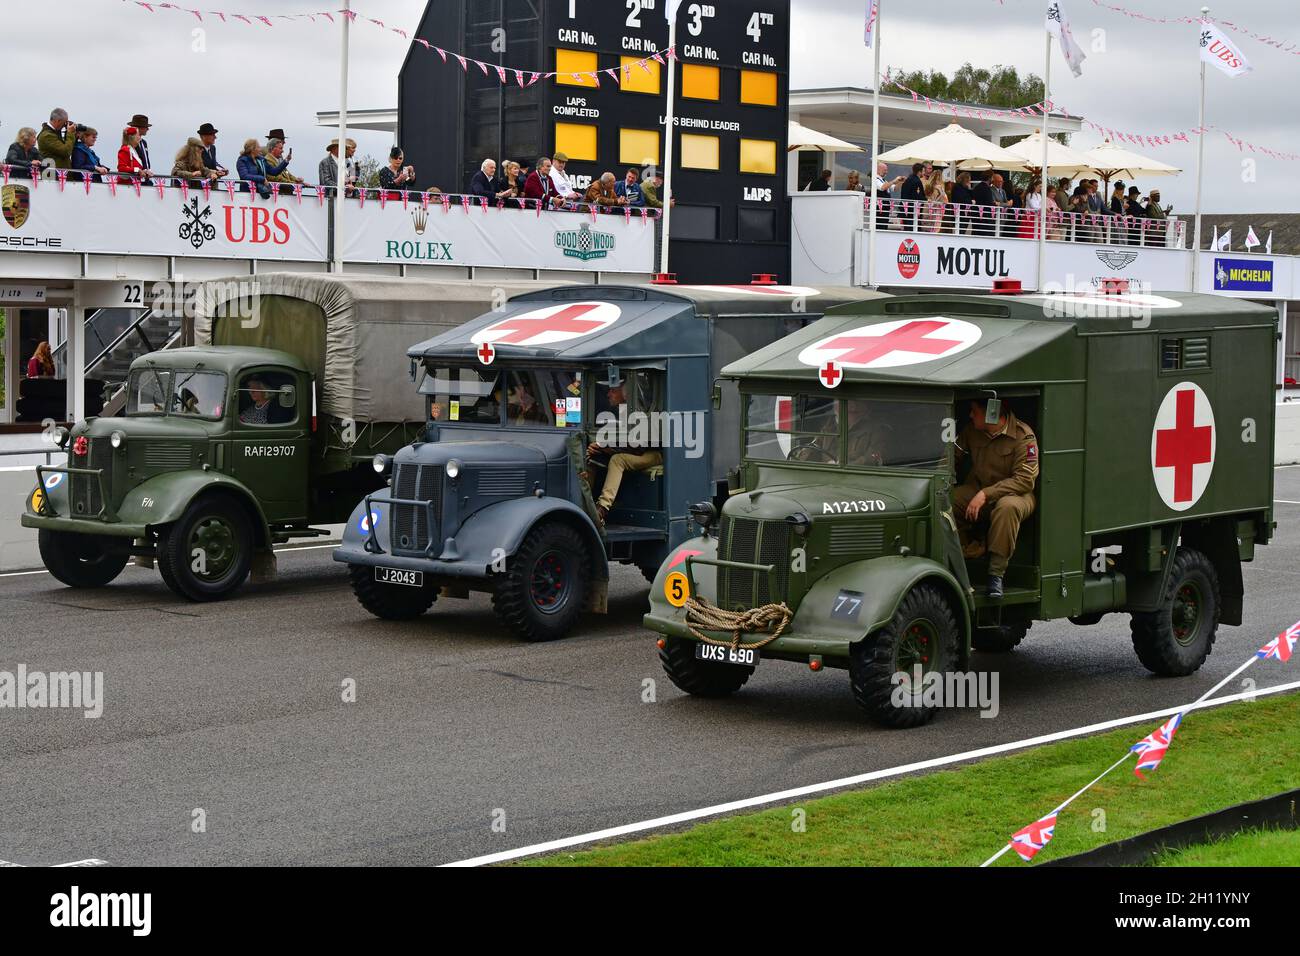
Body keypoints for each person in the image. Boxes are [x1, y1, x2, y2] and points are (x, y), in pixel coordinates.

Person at [952, 398, 1038, 599]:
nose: (970, 415)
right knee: (947, 500)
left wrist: (986, 494)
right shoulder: (971, 431)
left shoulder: (1023, 436)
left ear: (991, 412)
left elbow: (1025, 481)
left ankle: (995, 575)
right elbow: (951, 458)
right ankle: (968, 552)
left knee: (1007, 508)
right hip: (978, 490)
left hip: (1016, 495)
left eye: (975, 411)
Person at [587, 379, 662, 526]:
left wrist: (605, 448)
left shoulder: (639, 412)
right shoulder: (621, 410)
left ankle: (602, 508)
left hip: (653, 454)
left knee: (617, 459)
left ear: (626, 394)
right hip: (634, 449)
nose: (608, 394)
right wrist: (597, 448)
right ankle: (586, 504)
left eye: (613, 390)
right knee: (593, 456)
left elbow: (637, 448)